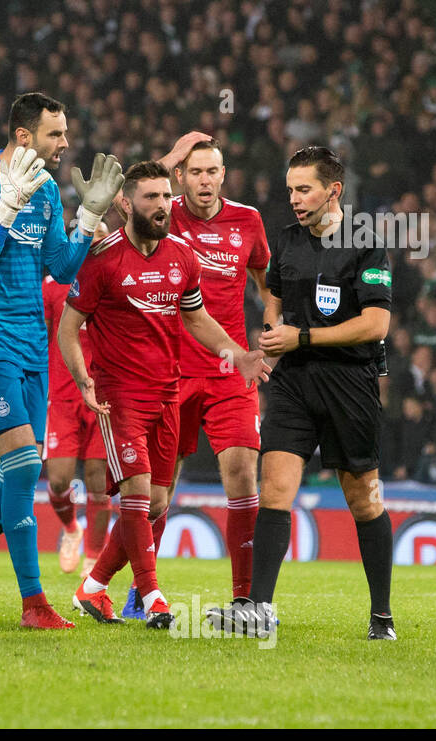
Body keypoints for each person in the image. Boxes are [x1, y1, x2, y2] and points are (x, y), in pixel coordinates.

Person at [0, 92, 124, 629]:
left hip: (34, 345)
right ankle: (34, 603)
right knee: (21, 467)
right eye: (55, 134)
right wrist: (3, 211)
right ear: (23, 136)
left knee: (22, 472)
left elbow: (60, 269)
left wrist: (88, 217)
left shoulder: (46, 192)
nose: (64, 144)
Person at [59, 160, 268, 627]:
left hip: (167, 395)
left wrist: (238, 354)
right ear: (124, 203)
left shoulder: (182, 257)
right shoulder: (102, 258)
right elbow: (68, 328)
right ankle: (153, 598)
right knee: (135, 493)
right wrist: (83, 379)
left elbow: (196, 318)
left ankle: (92, 588)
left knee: (155, 504)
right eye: (150, 198)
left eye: (164, 196)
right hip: (119, 396)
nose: (161, 206)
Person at [209, 146, 396, 641]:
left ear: (333, 190)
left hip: (350, 384)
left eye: (304, 188)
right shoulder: (287, 240)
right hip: (293, 382)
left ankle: (382, 615)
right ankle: (259, 609)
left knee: (363, 500)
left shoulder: (367, 244)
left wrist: (303, 337)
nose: (293, 198)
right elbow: (273, 295)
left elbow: (376, 324)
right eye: (290, 188)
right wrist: (273, 330)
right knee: (273, 489)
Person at [137, 137, 272, 616]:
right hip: (170, 370)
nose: (205, 180)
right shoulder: (162, 213)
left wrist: (269, 337)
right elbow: (120, 200)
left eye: (213, 171)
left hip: (229, 370)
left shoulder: (248, 221)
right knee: (156, 493)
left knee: (241, 472)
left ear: (223, 174)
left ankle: (246, 598)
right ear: (181, 177)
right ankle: (143, 589)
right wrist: (168, 157)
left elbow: (266, 285)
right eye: (195, 172)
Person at [40, 275, 110, 577]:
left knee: (98, 483)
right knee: (58, 480)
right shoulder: (53, 284)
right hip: (62, 395)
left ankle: (94, 558)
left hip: (103, 396)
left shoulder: (113, 279)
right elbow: (39, 335)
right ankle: (71, 530)